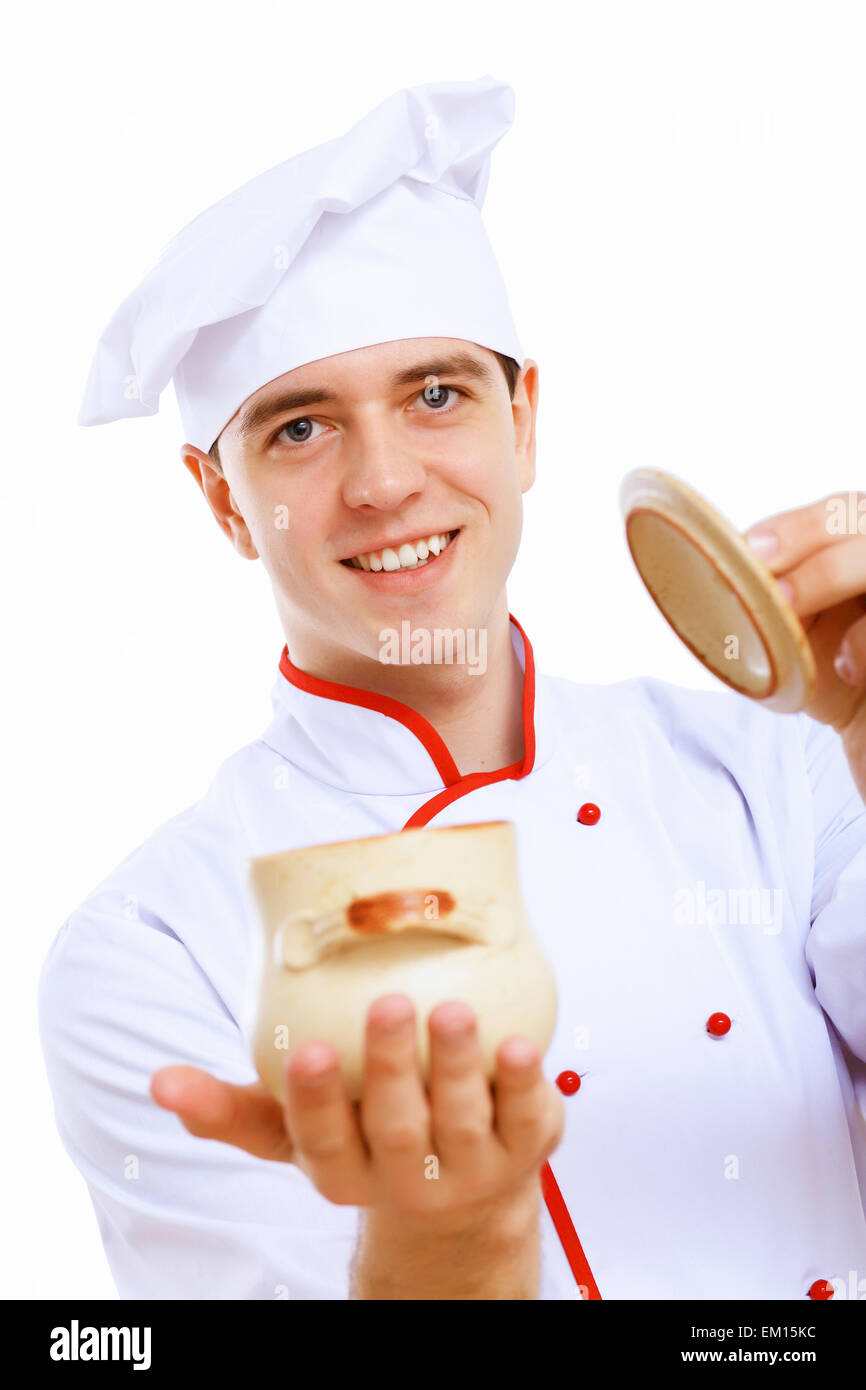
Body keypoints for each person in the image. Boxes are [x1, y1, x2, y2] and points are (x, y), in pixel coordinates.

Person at [38, 74, 866, 1302]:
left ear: (523, 422)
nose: (383, 484)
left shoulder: (781, 765)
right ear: (222, 501)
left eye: (435, 396)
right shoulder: (149, 949)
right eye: (300, 429)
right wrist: (451, 1244)